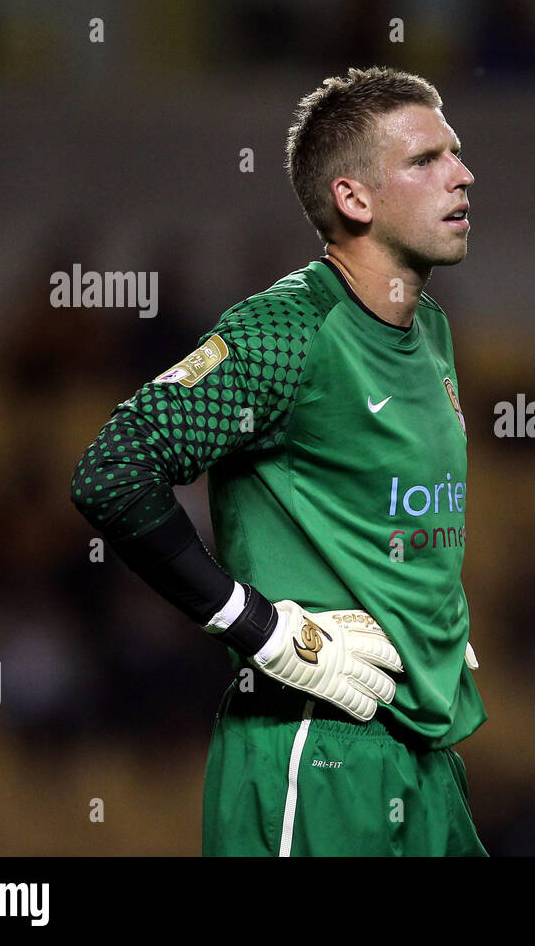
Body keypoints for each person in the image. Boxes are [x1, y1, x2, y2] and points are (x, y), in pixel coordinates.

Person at [70, 66, 486, 856]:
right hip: (314, 748)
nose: (463, 174)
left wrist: (429, 616)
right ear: (354, 199)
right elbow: (112, 469)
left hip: (423, 751)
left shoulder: (428, 331)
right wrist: (258, 629)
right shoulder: (286, 331)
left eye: (457, 153)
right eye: (426, 159)